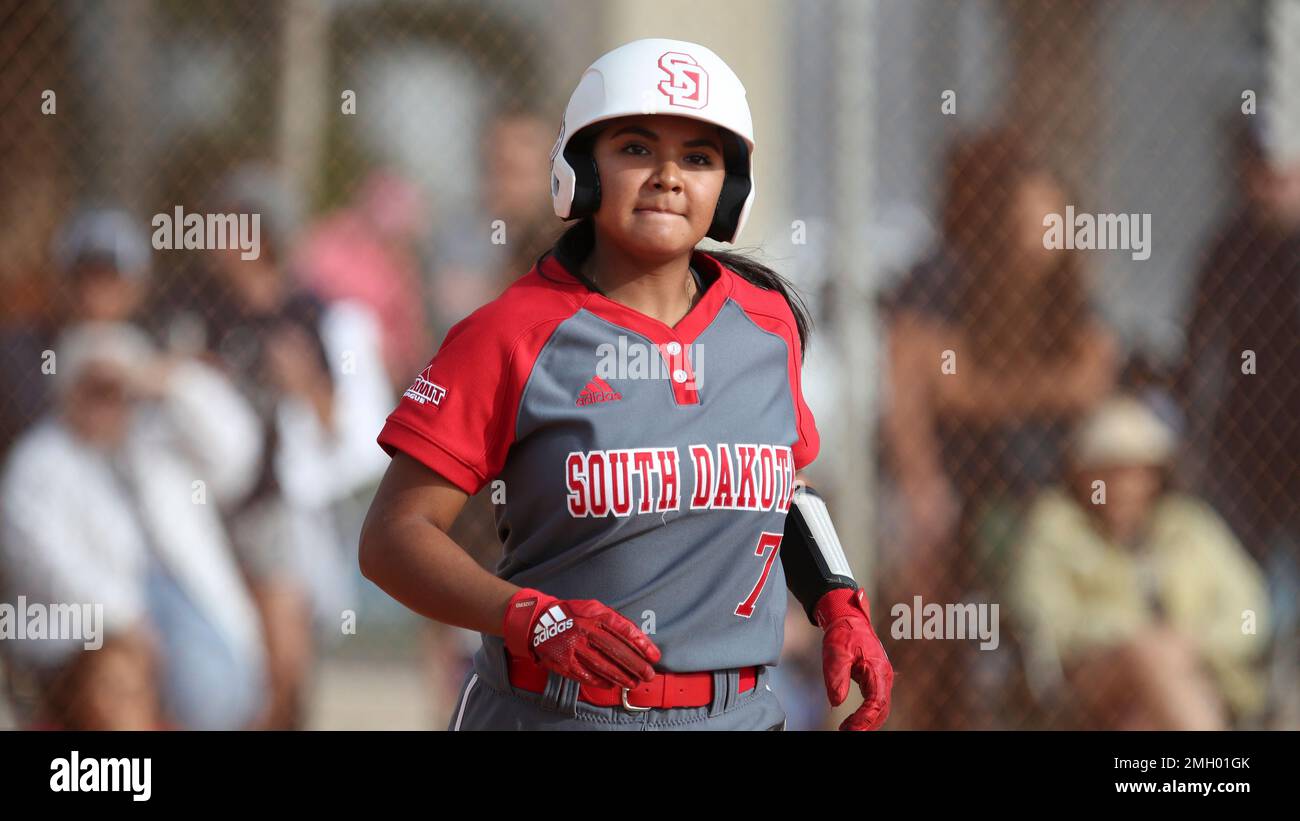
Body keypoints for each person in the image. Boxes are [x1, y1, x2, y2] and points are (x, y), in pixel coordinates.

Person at [360, 38, 893, 731]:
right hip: (553, 713)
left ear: (728, 187)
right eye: (637, 149)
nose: (669, 176)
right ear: (581, 169)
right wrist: (529, 615)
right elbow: (393, 535)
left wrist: (839, 602)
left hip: (738, 716)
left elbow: (782, 487)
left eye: (699, 158)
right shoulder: (511, 333)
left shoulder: (766, 324)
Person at [162, 165, 394, 728]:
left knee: (282, 658)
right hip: (196, 505)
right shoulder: (195, 308)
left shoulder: (310, 315)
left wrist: (307, 386)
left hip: (274, 506)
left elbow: (351, 435)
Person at [0, 322, 267, 729]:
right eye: (96, 389)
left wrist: (172, 382)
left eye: (118, 391)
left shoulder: (157, 449)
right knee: (120, 676)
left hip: (195, 635)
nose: (108, 404)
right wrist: (127, 622)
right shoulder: (38, 464)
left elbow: (239, 449)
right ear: (69, 389)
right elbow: (49, 568)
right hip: (86, 636)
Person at [1010, 396, 1272, 729]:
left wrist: (1190, 643)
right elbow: (1045, 623)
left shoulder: (1191, 525)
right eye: (1108, 473)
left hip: (1195, 678)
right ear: (1080, 474)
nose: (1121, 486)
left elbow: (1250, 611)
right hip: (1090, 682)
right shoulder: (1053, 528)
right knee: (1149, 659)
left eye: (1133, 472)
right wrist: (1136, 640)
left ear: (1154, 475)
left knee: (1146, 715)